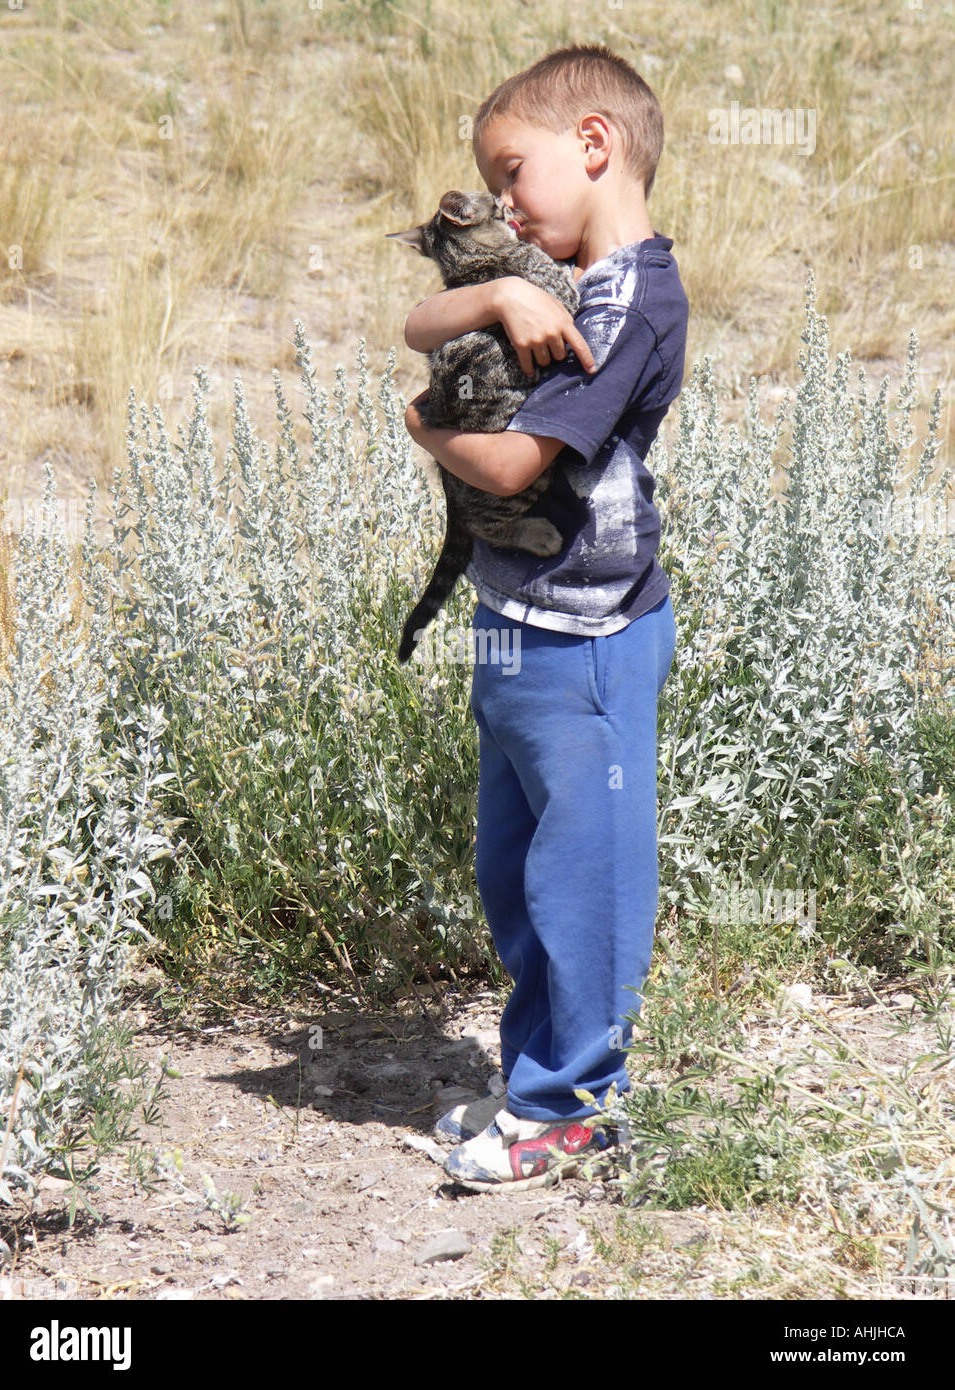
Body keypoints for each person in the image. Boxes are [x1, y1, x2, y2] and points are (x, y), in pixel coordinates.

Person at [402, 43, 688, 1190]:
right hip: (513, 628)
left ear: (595, 146)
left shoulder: (636, 299)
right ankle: (534, 1083)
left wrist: (426, 434)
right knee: (513, 870)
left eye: (513, 173)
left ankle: (578, 1104)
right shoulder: (549, 285)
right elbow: (424, 322)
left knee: (586, 876)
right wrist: (500, 287)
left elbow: (516, 464)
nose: (505, 203)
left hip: (592, 642)